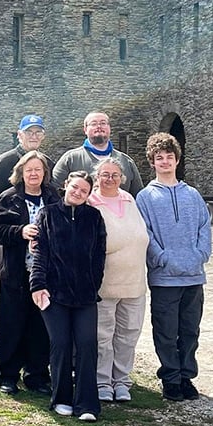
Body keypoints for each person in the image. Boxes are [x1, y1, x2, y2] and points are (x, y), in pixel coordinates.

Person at [135, 133, 212, 402]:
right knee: (166, 331)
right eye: (159, 158)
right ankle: (170, 379)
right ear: (152, 163)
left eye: (169, 157)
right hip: (165, 278)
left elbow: (205, 227)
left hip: (193, 276)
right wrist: (163, 258)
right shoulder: (145, 197)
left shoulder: (192, 195)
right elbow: (145, 233)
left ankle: (186, 376)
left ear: (177, 160)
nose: (165, 161)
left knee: (190, 330)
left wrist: (200, 254)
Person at [30, 171, 106, 422]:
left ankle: (87, 404)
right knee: (60, 344)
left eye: (84, 191)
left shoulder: (94, 218)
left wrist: (93, 283)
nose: (78, 193)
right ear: (66, 186)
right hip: (55, 293)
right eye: (75, 187)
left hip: (85, 295)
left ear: (89, 194)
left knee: (86, 345)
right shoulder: (48, 214)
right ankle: (61, 398)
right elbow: (40, 253)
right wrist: (38, 285)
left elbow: (99, 255)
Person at [0, 150, 57, 396]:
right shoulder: (9, 198)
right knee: (12, 324)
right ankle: (7, 374)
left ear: (45, 173)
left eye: (38, 169)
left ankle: (36, 375)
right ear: (21, 173)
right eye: (29, 170)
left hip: (44, 274)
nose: (34, 174)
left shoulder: (52, 197)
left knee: (40, 326)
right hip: (16, 272)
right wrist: (20, 231)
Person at [88, 157, 149, 403]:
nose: (110, 179)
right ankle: (102, 381)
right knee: (103, 336)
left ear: (122, 177)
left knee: (128, 334)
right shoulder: (91, 203)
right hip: (106, 284)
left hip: (134, 282)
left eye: (114, 174)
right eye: (104, 174)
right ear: (96, 177)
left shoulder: (129, 199)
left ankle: (122, 380)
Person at [0, 115, 53, 223]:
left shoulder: (47, 163)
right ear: (19, 135)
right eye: (29, 132)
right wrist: (0, 227)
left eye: (38, 132)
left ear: (43, 136)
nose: (34, 136)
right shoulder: (5, 161)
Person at [52, 111, 143, 197]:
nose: (99, 126)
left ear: (109, 128)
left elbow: (138, 195)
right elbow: (54, 191)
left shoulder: (126, 161)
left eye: (103, 123)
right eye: (94, 123)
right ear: (85, 129)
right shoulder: (70, 159)